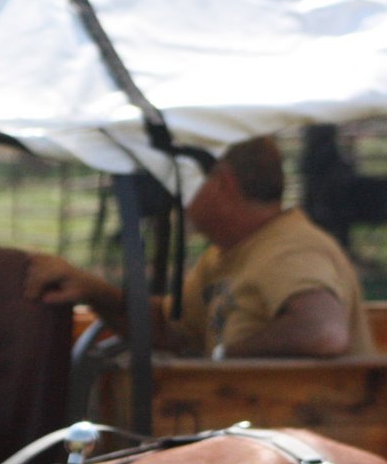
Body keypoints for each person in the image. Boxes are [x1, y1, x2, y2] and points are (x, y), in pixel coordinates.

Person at [25, 136, 374, 359]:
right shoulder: (229, 253)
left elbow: (322, 332)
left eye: (183, 180)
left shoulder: (291, 249)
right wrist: (90, 289)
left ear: (223, 183)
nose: (175, 194)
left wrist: (224, 354)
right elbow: (166, 328)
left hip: (307, 456)